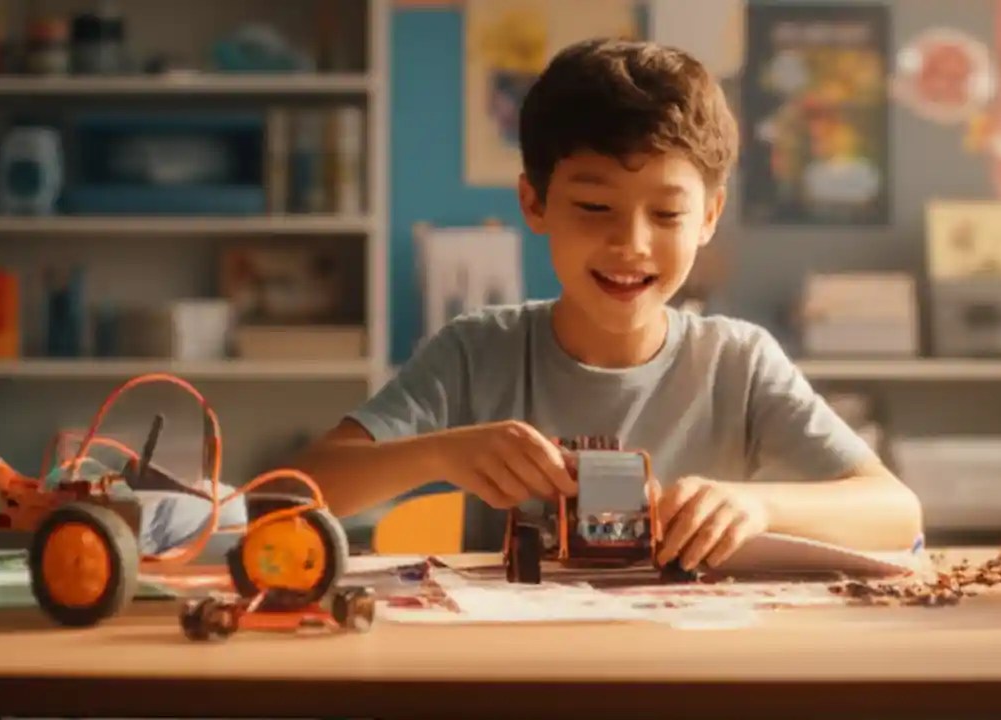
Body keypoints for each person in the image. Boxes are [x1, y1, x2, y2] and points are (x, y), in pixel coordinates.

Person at [289, 37, 923, 570]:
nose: (631, 244)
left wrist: (760, 505)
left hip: (692, 666)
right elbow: (297, 492)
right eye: (595, 208)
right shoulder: (477, 351)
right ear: (535, 204)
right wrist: (440, 453)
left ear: (709, 216)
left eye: (668, 213)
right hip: (524, 670)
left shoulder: (738, 362)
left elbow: (895, 511)